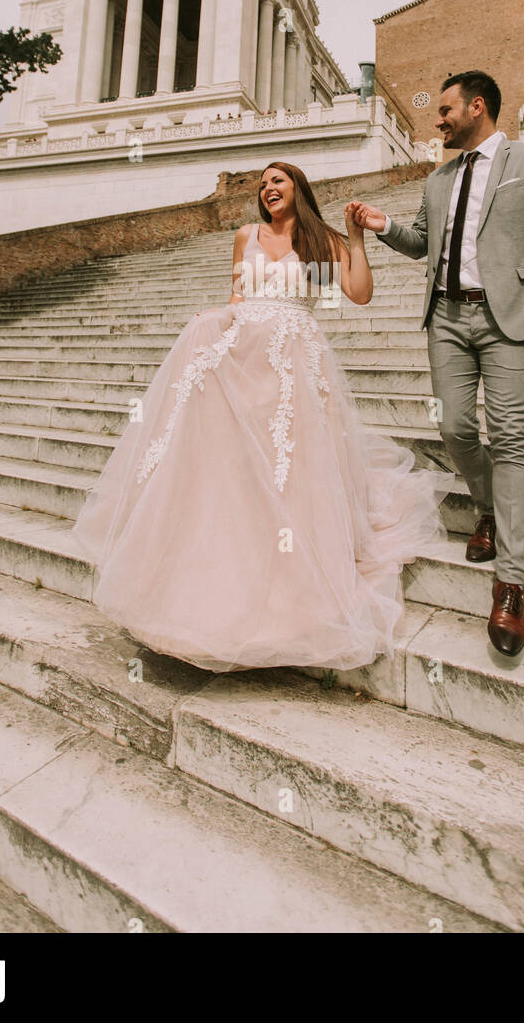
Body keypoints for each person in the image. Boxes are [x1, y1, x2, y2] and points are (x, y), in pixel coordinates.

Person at [70, 160, 452, 673]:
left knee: (290, 471)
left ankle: (290, 591)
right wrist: (217, 329)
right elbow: (237, 297)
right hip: (242, 357)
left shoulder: (322, 241)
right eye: (263, 183)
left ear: (298, 188)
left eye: (279, 180)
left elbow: (360, 294)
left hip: (295, 361)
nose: (268, 188)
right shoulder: (246, 234)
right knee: (240, 472)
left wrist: (357, 239)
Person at [349, 71, 524, 657]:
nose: (438, 120)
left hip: (512, 317)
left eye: (447, 109)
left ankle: (510, 582)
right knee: (454, 427)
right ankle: (485, 507)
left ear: (477, 107)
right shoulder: (438, 178)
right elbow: (424, 242)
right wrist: (383, 227)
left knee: (509, 437)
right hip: (448, 320)